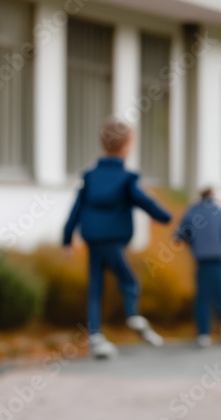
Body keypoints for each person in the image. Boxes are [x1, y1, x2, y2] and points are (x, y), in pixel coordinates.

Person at [62, 117, 172, 359]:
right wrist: (165, 217)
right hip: (113, 239)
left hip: (92, 239)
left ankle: (96, 336)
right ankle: (132, 316)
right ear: (127, 146)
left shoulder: (90, 177)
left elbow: (76, 208)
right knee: (129, 282)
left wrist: (67, 239)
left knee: (96, 287)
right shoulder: (127, 178)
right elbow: (144, 201)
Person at [173, 186, 221, 346]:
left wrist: (192, 242)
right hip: (219, 259)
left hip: (201, 260)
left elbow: (179, 236)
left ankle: (203, 335)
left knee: (203, 298)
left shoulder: (191, 213)